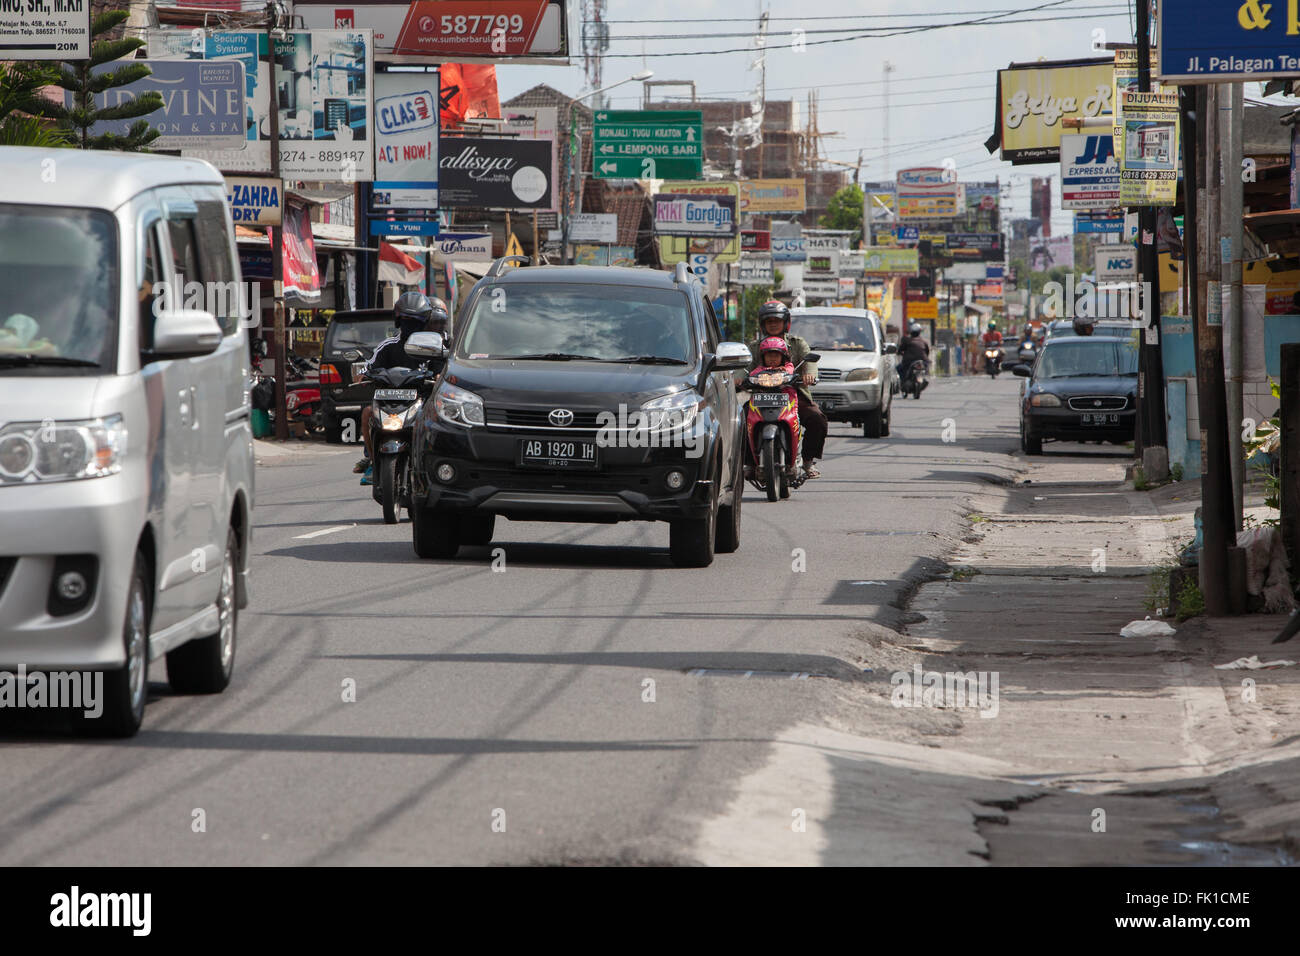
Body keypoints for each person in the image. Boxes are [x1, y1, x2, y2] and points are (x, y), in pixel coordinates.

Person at [353, 292, 450, 485]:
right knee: (366, 413)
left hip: (422, 402)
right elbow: (369, 366)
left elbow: (443, 369)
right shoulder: (388, 346)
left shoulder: (434, 346)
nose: (409, 324)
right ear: (398, 321)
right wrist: (364, 373)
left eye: (415, 321)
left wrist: (439, 376)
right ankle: (373, 461)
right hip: (390, 402)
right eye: (405, 320)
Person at [747, 299, 827, 478]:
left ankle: (807, 461)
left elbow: (809, 362)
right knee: (740, 420)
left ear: (786, 323)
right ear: (763, 324)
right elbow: (742, 368)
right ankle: (750, 463)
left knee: (817, 419)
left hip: (793, 394)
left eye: (777, 320)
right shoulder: (753, 347)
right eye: (769, 321)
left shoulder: (797, 343)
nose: (773, 324)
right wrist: (738, 379)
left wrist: (809, 375)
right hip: (761, 394)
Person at [897, 322, 930, 388]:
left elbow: (900, 350)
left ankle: (902, 382)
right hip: (923, 361)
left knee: (898, 368)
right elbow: (927, 352)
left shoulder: (907, 340)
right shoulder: (924, 341)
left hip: (909, 361)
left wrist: (899, 353)